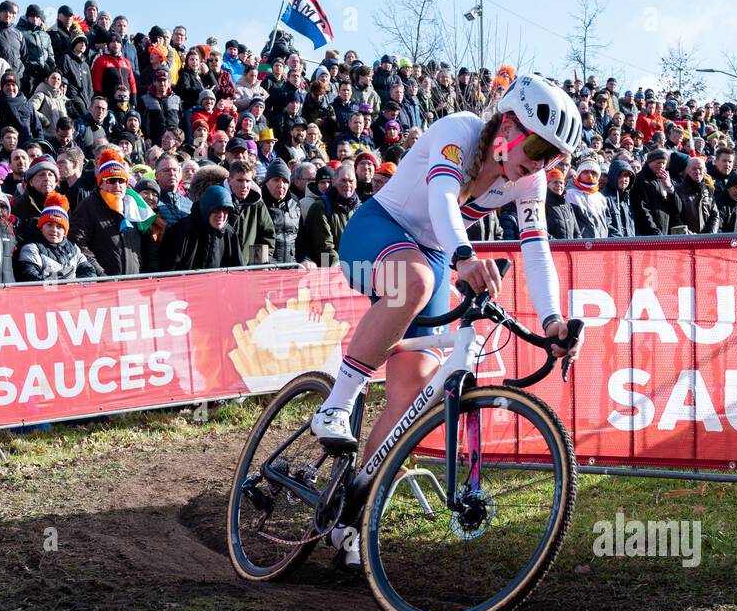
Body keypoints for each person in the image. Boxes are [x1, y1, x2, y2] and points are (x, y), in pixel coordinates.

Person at [309, 75, 583, 568]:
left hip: (434, 253)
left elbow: (536, 247)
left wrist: (552, 321)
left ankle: (352, 511)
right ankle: (337, 403)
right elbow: (440, 199)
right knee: (412, 283)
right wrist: (464, 256)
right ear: (507, 123)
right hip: (379, 228)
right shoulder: (461, 130)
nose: (540, 163)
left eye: (553, 156)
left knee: (410, 398)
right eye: (538, 146)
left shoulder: (529, 178)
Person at [159, 182, 244, 271]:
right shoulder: (182, 231)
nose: (221, 215)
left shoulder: (229, 234)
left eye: (225, 210)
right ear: (207, 209)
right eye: (216, 210)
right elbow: (168, 271)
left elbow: (238, 271)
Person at [16, 193, 98, 281]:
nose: (54, 230)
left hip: (73, 294)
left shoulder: (74, 249)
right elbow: (30, 277)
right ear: (41, 227)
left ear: (65, 231)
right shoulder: (31, 248)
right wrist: (60, 282)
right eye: (49, 225)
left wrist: (76, 285)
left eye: (59, 226)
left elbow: (89, 272)